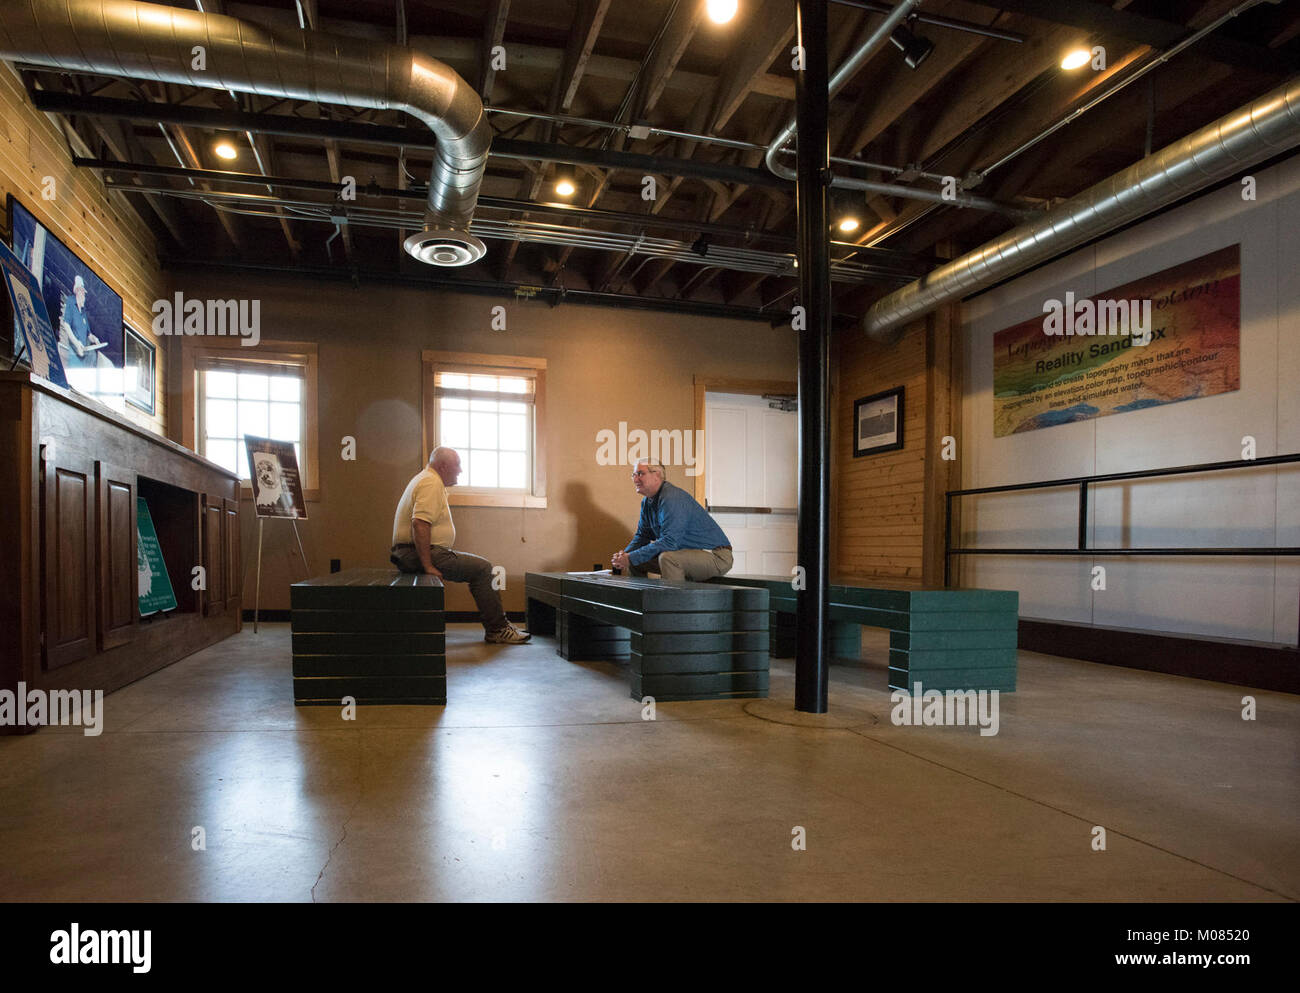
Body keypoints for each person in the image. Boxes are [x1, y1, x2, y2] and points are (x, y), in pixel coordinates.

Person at [390, 447, 530, 645]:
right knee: (483, 569)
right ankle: (498, 629)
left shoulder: (427, 479)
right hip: (416, 553)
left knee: (480, 568)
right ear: (443, 466)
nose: (460, 470)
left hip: (414, 552)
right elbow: (419, 523)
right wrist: (428, 566)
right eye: (457, 465)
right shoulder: (431, 482)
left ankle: (497, 628)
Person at [611, 460, 733, 582]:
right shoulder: (647, 502)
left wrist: (632, 557)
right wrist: (624, 556)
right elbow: (642, 536)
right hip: (685, 553)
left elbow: (670, 542)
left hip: (715, 556)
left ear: (657, 475)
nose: (635, 479)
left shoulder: (672, 498)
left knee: (668, 558)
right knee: (636, 561)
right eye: (634, 475)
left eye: (640, 473)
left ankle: (674, 601)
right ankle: (640, 600)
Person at [59, 275, 100, 369]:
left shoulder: (83, 311)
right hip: (73, 352)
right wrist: (77, 343)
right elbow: (66, 324)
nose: (84, 295)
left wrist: (95, 339)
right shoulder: (70, 302)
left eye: (84, 293)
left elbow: (89, 334)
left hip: (83, 354)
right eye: (82, 292)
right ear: (77, 291)